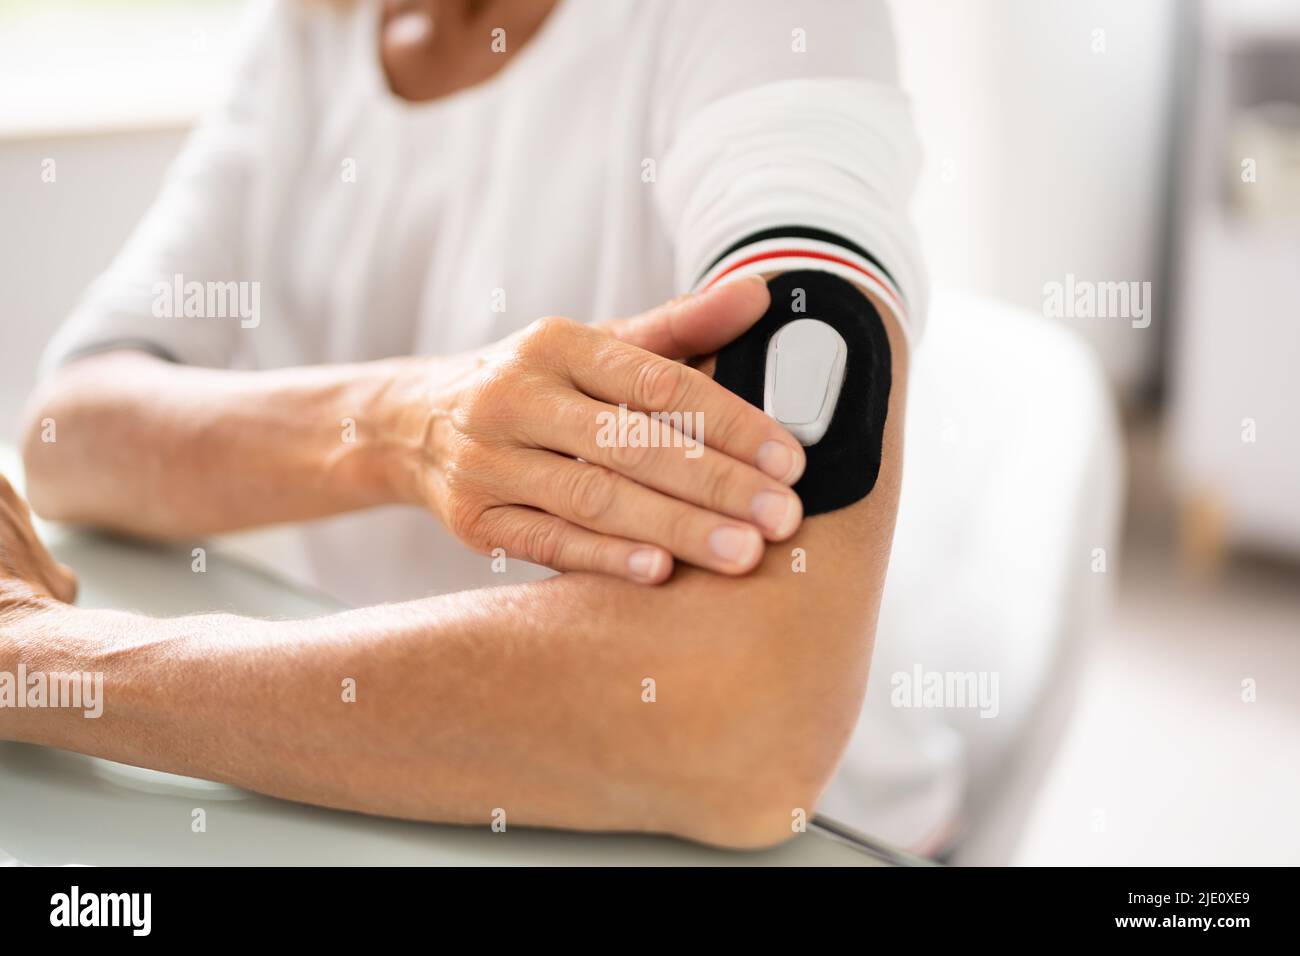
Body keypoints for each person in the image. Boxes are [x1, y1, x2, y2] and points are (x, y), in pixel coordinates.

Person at [8, 0, 928, 848]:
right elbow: (70, 434)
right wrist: (404, 426)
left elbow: (744, 722)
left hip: (819, 838)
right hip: (405, 793)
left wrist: (42, 659)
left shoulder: (767, 24)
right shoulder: (312, 28)